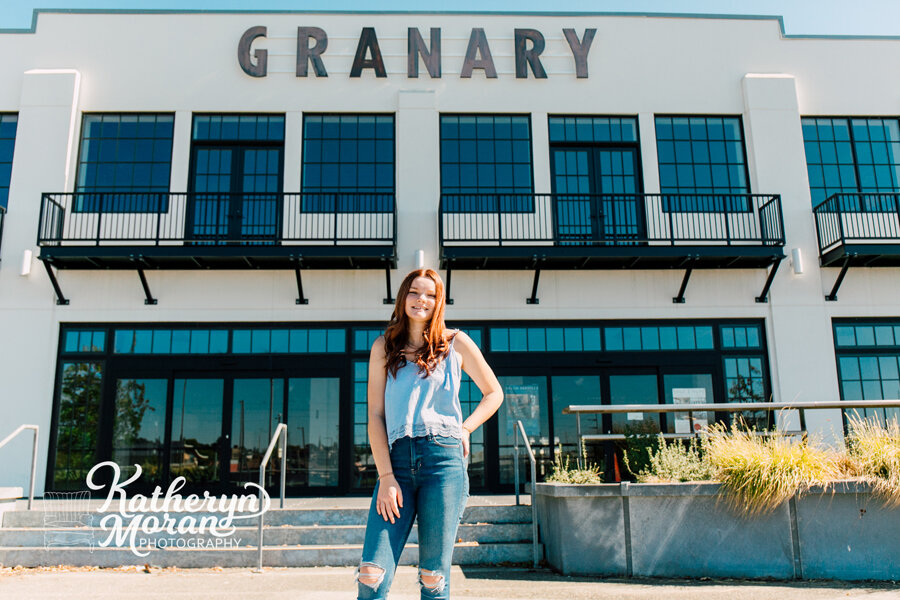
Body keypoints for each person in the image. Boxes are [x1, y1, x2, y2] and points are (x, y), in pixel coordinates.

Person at [355, 268, 503, 600]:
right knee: (371, 573)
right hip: (396, 465)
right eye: (414, 292)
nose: (422, 300)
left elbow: (494, 393)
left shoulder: (456, 342)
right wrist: (386, 476)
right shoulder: (383, 346)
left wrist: (466, 428)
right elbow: (375, 415)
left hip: (444, 463)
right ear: (402, 297)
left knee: (433, 576)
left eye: (431, 294)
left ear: (440, 302)